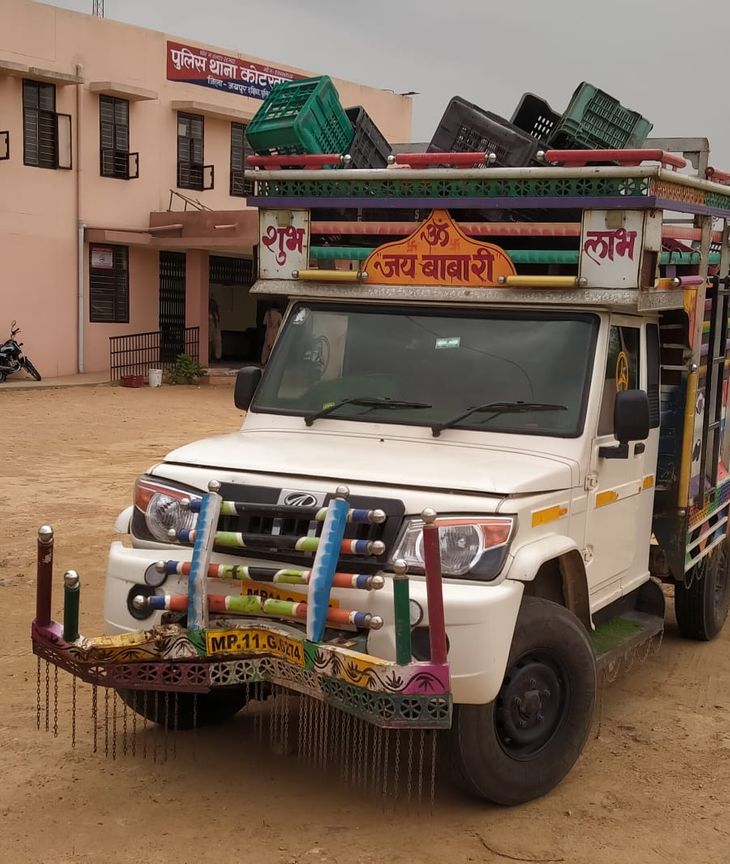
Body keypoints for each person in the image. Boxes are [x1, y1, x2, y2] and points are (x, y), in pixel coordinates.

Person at [208, 297, 222, 363]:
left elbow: (218, 320)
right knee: (209, 343)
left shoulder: (215, 313)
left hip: (216, 329)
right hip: (210, 328)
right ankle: (209, 357)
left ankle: (218, 357)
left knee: (217, 343)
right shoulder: (208, 313)